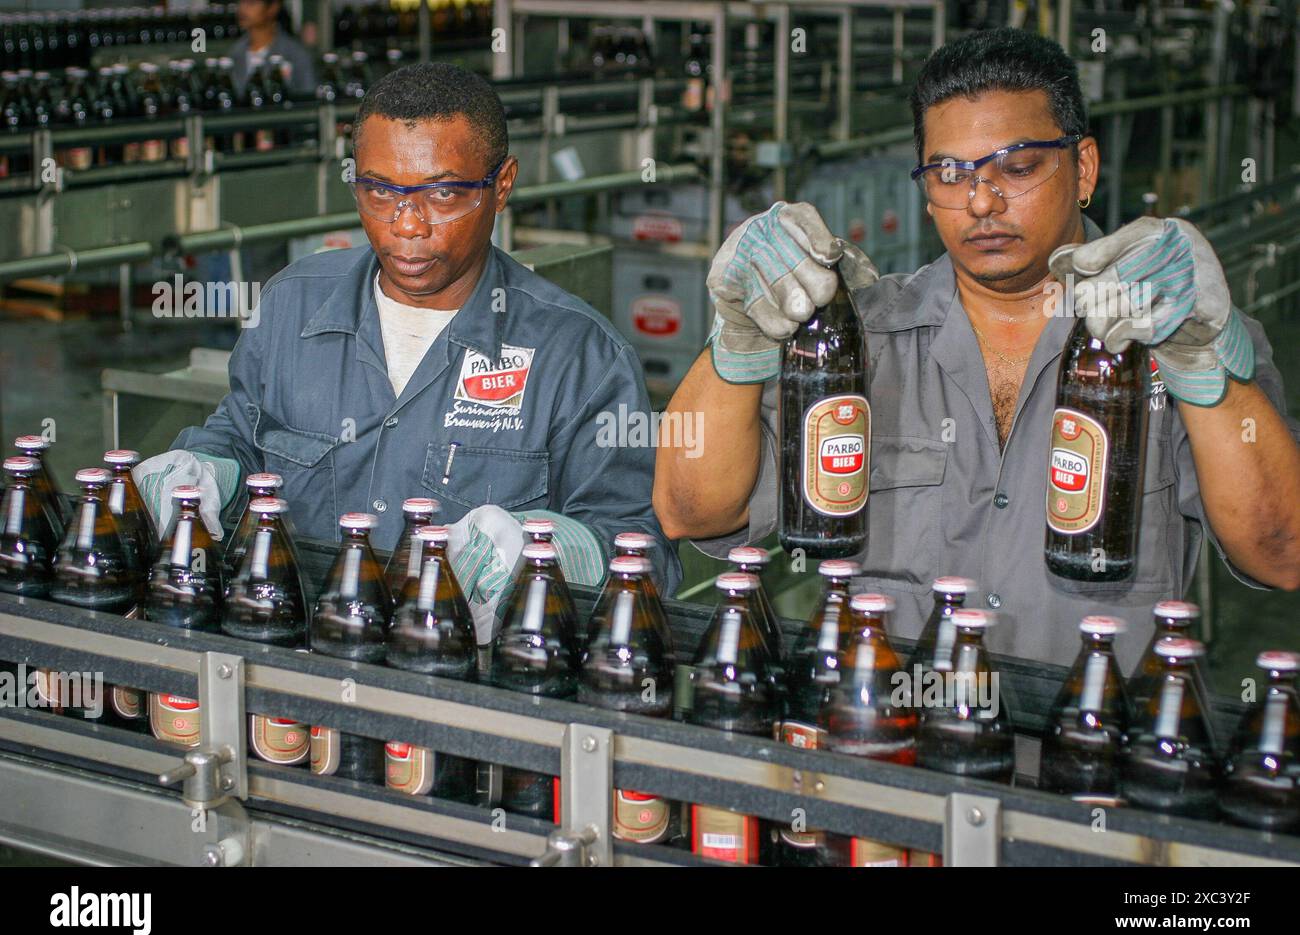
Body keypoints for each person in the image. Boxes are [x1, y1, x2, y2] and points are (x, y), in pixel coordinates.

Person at [653, 28, 1300, 672]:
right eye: (950, 173)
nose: (982, 200)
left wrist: (1207, 366)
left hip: (1086, 744)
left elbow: (1282, 553)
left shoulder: (1177, 342)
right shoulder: (860, 339)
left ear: (1085, 169)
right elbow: (691, 513)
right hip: (887, 741)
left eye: (1017, 168)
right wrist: (736, 344)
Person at [136, 62, 680, 602]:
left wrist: (550, 552)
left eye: (442, 195)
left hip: (466, 678)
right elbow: (243, 438)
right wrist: (206, 470)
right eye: (378, 191)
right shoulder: (291, 305)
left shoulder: (580, 356)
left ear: (503, 184)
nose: (407, 224)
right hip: (296, 653)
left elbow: (645, 551)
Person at [228, 0, 317, 99]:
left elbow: (309, 100)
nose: (242, 9)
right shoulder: (234, 52)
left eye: (251, 3)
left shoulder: (295, 54)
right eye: (241, 2)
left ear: (273, 7)